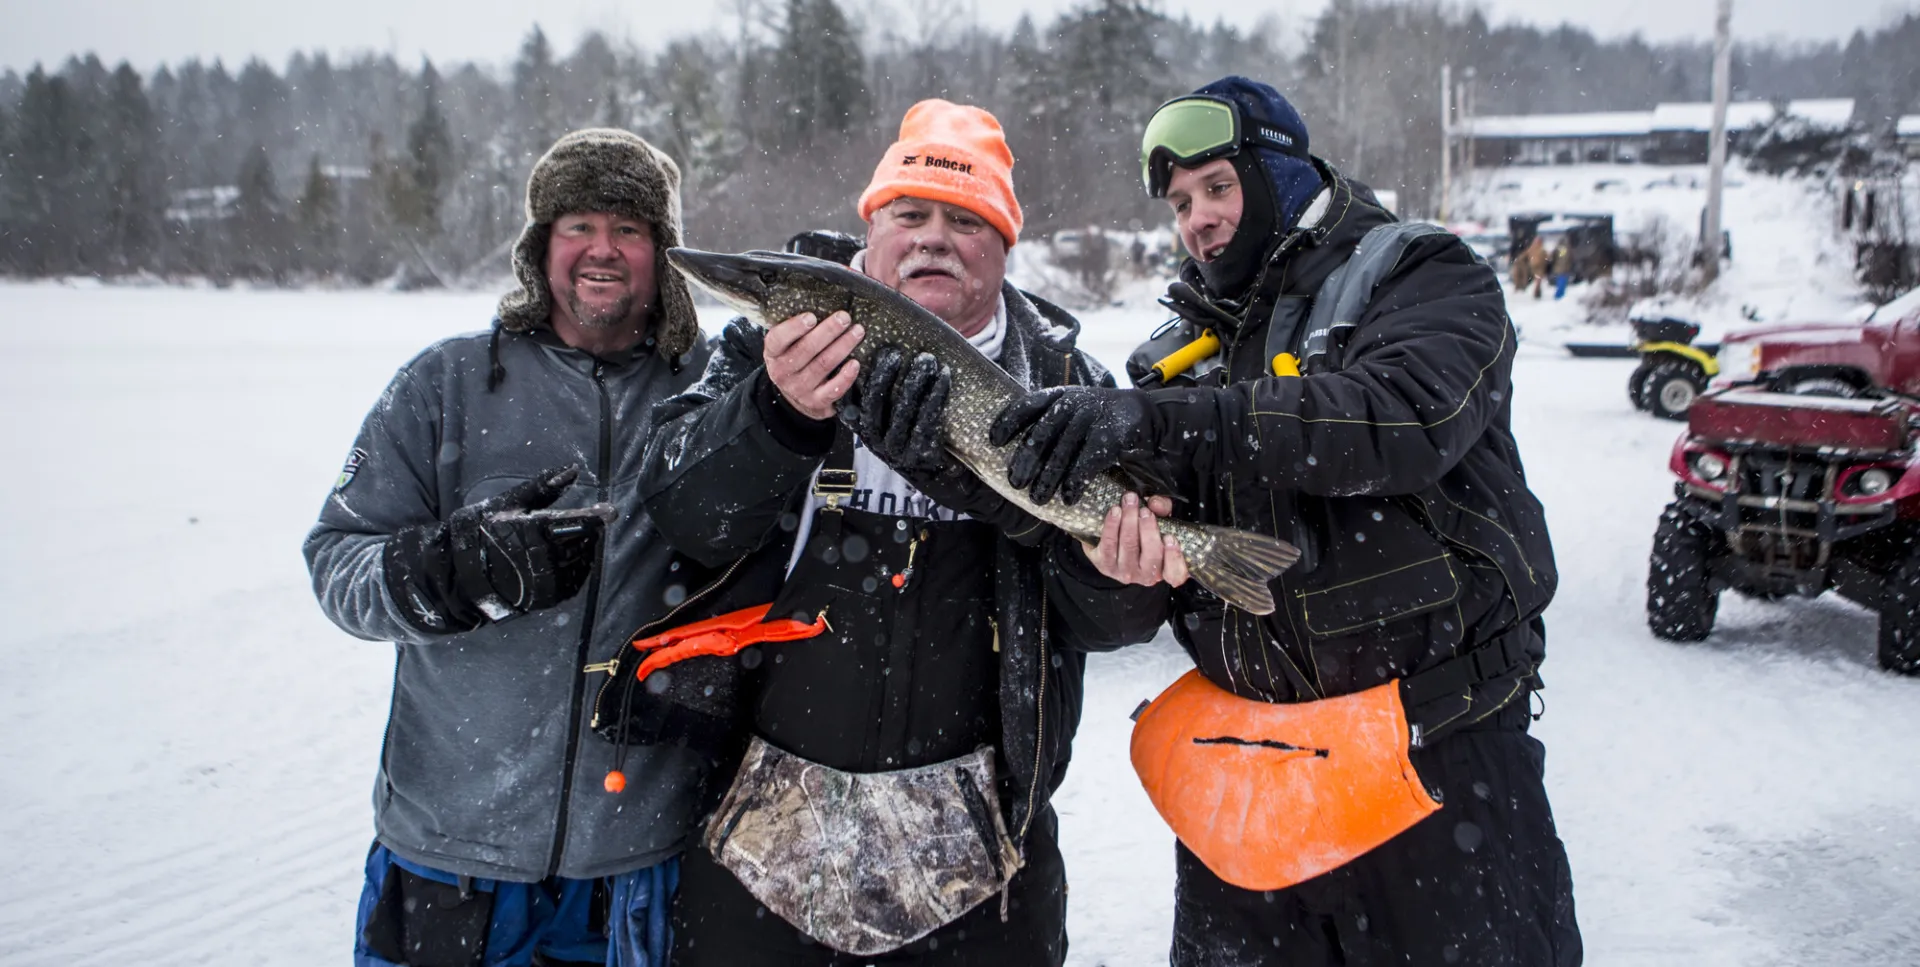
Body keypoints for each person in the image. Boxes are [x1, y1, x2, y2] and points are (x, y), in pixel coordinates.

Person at [991, 76, 1582, 966]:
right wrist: (1108, 563)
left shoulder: (1420, 273)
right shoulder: (1170, 362)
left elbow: (1399, 416)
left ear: (1284, 173)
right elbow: (1129, 615)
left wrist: (1170, 423)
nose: (1198, 219)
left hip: (1438, 766)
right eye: (1181, 203)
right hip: (1252, 787)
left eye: (1218, 187)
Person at [637, 99, 1161, 966]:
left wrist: (1104, 561)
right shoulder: (764, 347)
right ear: (870, 232)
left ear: (1004, 246)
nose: (933, 239)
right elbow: (685, 514)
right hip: (759, 856)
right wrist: (777, 416)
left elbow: (1115, 622)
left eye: (966, 220)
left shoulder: (1069, 387)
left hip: (988, 874)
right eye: (909, 215)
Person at [304, 128, 713, 967]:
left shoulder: (712, 396)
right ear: (540, 246)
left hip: (638, 866)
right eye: (578, 225)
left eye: (630, 228)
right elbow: (337, 559)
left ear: (663, 254)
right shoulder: (446, 383)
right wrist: (440, 574)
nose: (602, 249)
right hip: (451, 859)